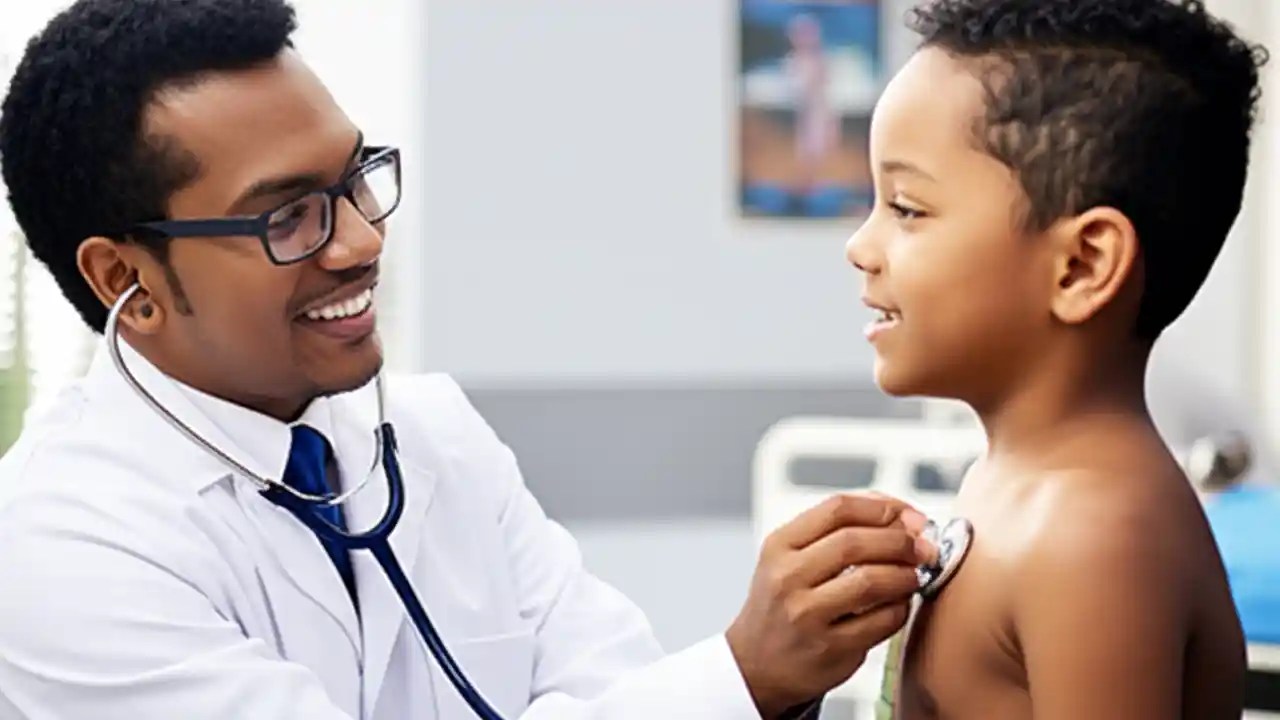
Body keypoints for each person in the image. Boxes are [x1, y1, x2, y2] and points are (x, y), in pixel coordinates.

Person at [0, 1, 938, 718]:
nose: (362, 241)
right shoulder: (58, 552)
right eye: (289, 215)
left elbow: (617, 683)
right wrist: (743, 672)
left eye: (356, 180)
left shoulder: (428, 435)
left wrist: (762, 678)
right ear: (128, 276)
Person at [845, 0, 1265, 717]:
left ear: (1081, 266)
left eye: (907, 208)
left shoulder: (1091, 531)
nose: (861, 246)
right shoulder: (1021, 484)